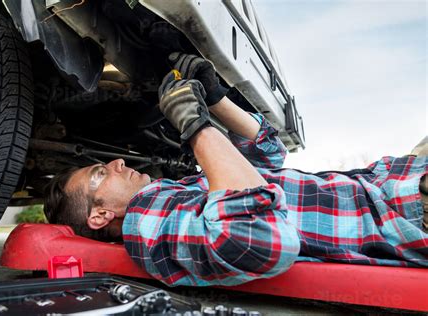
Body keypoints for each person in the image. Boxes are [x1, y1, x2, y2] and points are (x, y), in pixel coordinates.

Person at [44, 53, 428, 287]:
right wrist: (196, 128)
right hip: (406, 207)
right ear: (100, 215)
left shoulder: (176, 194)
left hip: (394, 179)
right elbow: (259, 238)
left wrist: (216, 100)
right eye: (99, 174)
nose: (118, 163)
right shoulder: (145, 219)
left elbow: (267, 157)